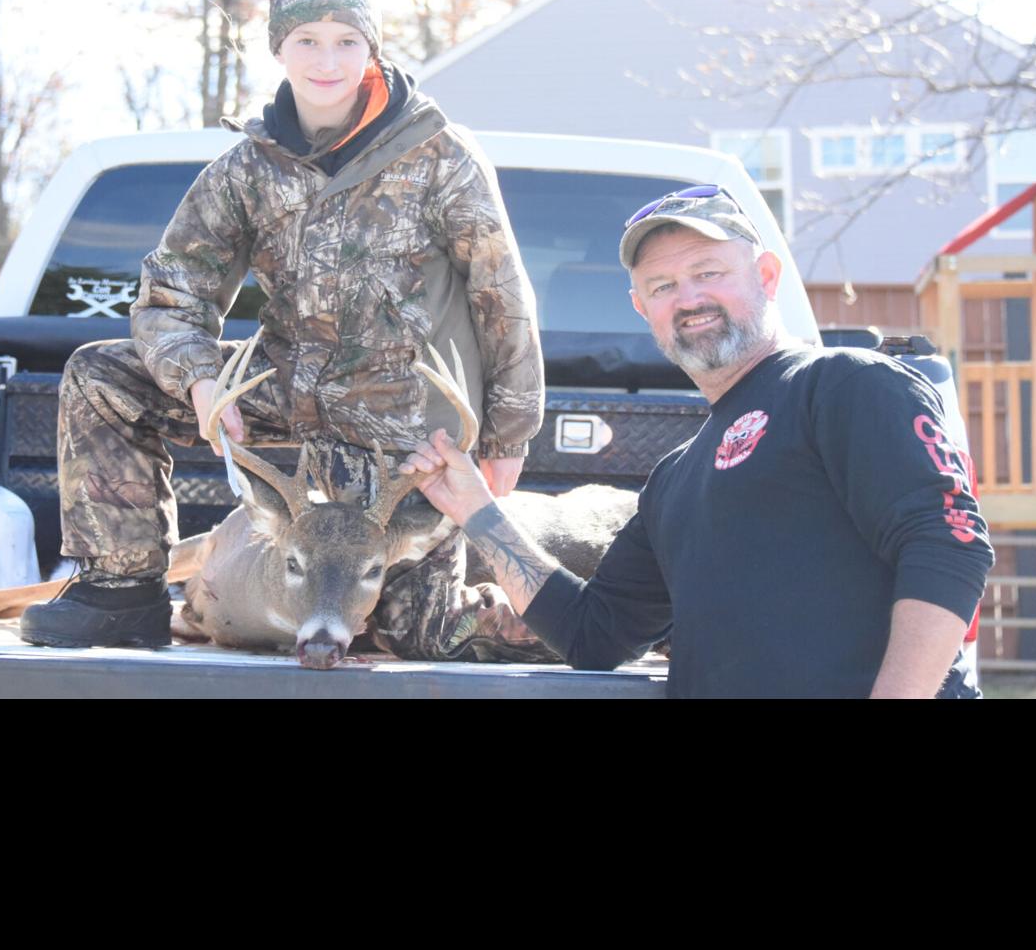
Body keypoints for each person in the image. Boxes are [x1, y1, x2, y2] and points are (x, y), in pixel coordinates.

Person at [21, 0, 548, 661]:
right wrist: (202, 383)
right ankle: (120, 592)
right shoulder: (245, 170)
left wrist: (507, 437)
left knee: (423, 637)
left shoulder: (440, 156)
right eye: (307, 41)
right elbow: (173, 292)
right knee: (101, 376)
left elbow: (501, 298)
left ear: (372, 49)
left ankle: (588, 614)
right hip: (289, 409)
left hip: (403, 444)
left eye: (345, 40)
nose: (326, 59)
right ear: (278, 49)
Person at [400, 186, 994, 697]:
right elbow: (592, 633)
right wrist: (477, 510)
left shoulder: (846, 384)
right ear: (642, 309)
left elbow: (948, 546)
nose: (688, 299)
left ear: (765, 276)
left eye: (709, 273)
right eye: (662, 286)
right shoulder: (674, 481)